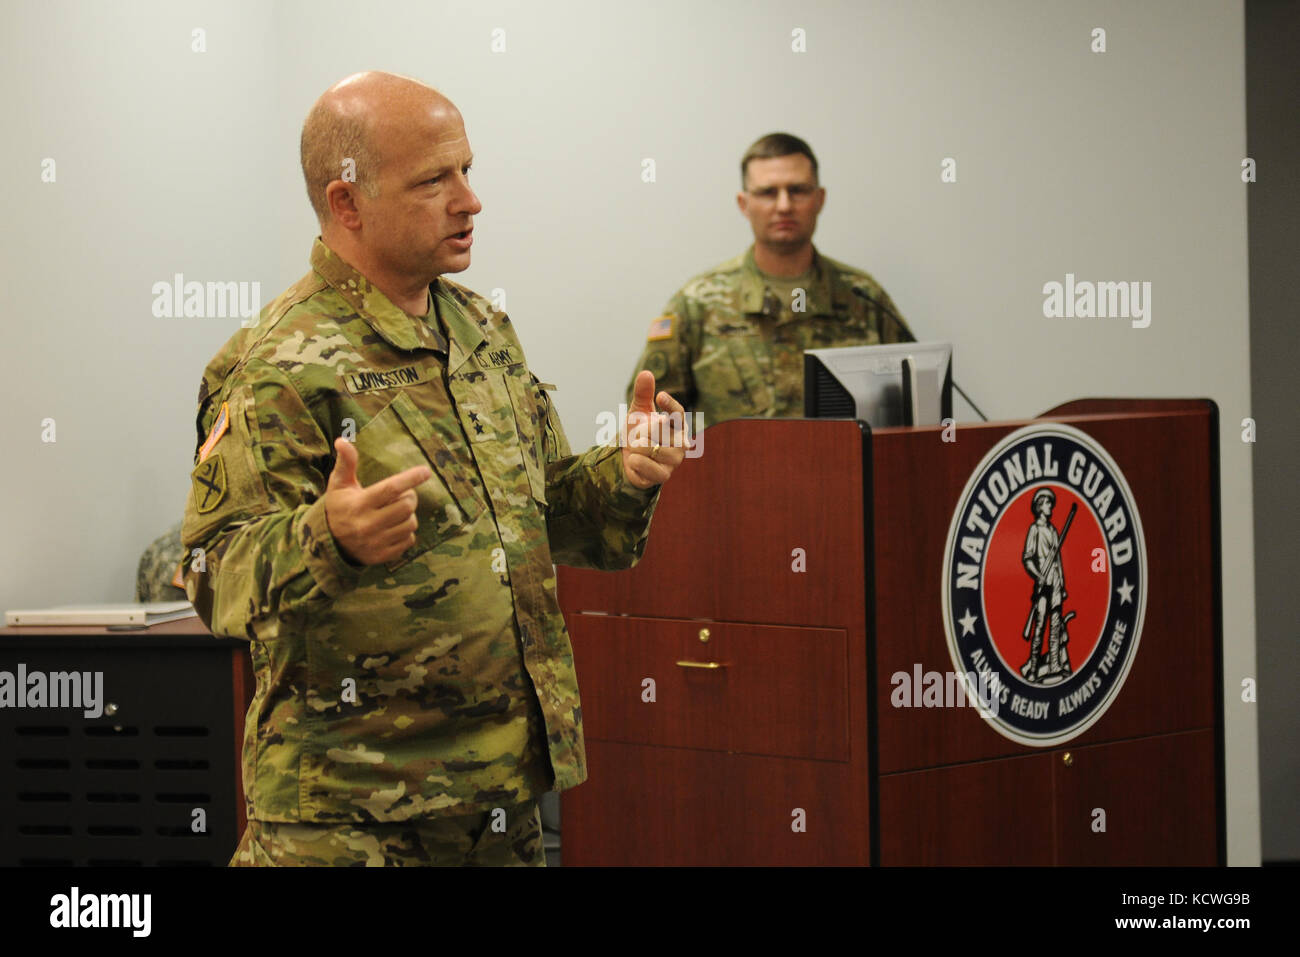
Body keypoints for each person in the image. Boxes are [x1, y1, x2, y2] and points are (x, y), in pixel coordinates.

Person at [180, 71, 685, 867]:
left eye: (468, 170)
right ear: (346, 203)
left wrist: (623, 473)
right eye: (433, 180)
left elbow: (537, 513)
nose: (469, 200)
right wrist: (328, 536)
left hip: (497, 798)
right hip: (349, 819)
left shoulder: (481, 327)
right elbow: (210, 570)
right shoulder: (279, 362)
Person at [627, 132, 913, 428]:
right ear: (744, 203)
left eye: (798, 190)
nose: (784, 205)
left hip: (849, 473)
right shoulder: (698, 303)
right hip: (733, 474)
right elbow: (649, 423)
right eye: (767, 192)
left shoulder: (862, 297)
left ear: (819, 199)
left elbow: (914, 410)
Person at [1021, 488, 1071, 682]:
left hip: (1056, 584)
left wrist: (1063, 585)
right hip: (1043, 586)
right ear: (1040, 506)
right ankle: (1033, 668)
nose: (1051, 506)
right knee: (1040, 626)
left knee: (1056, 626)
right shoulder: (1035, 530)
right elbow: (1027, 558)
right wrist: (1038, 576)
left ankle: (1055, 666)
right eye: (1048, 503)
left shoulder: (1053, 531)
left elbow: (1058, 559)